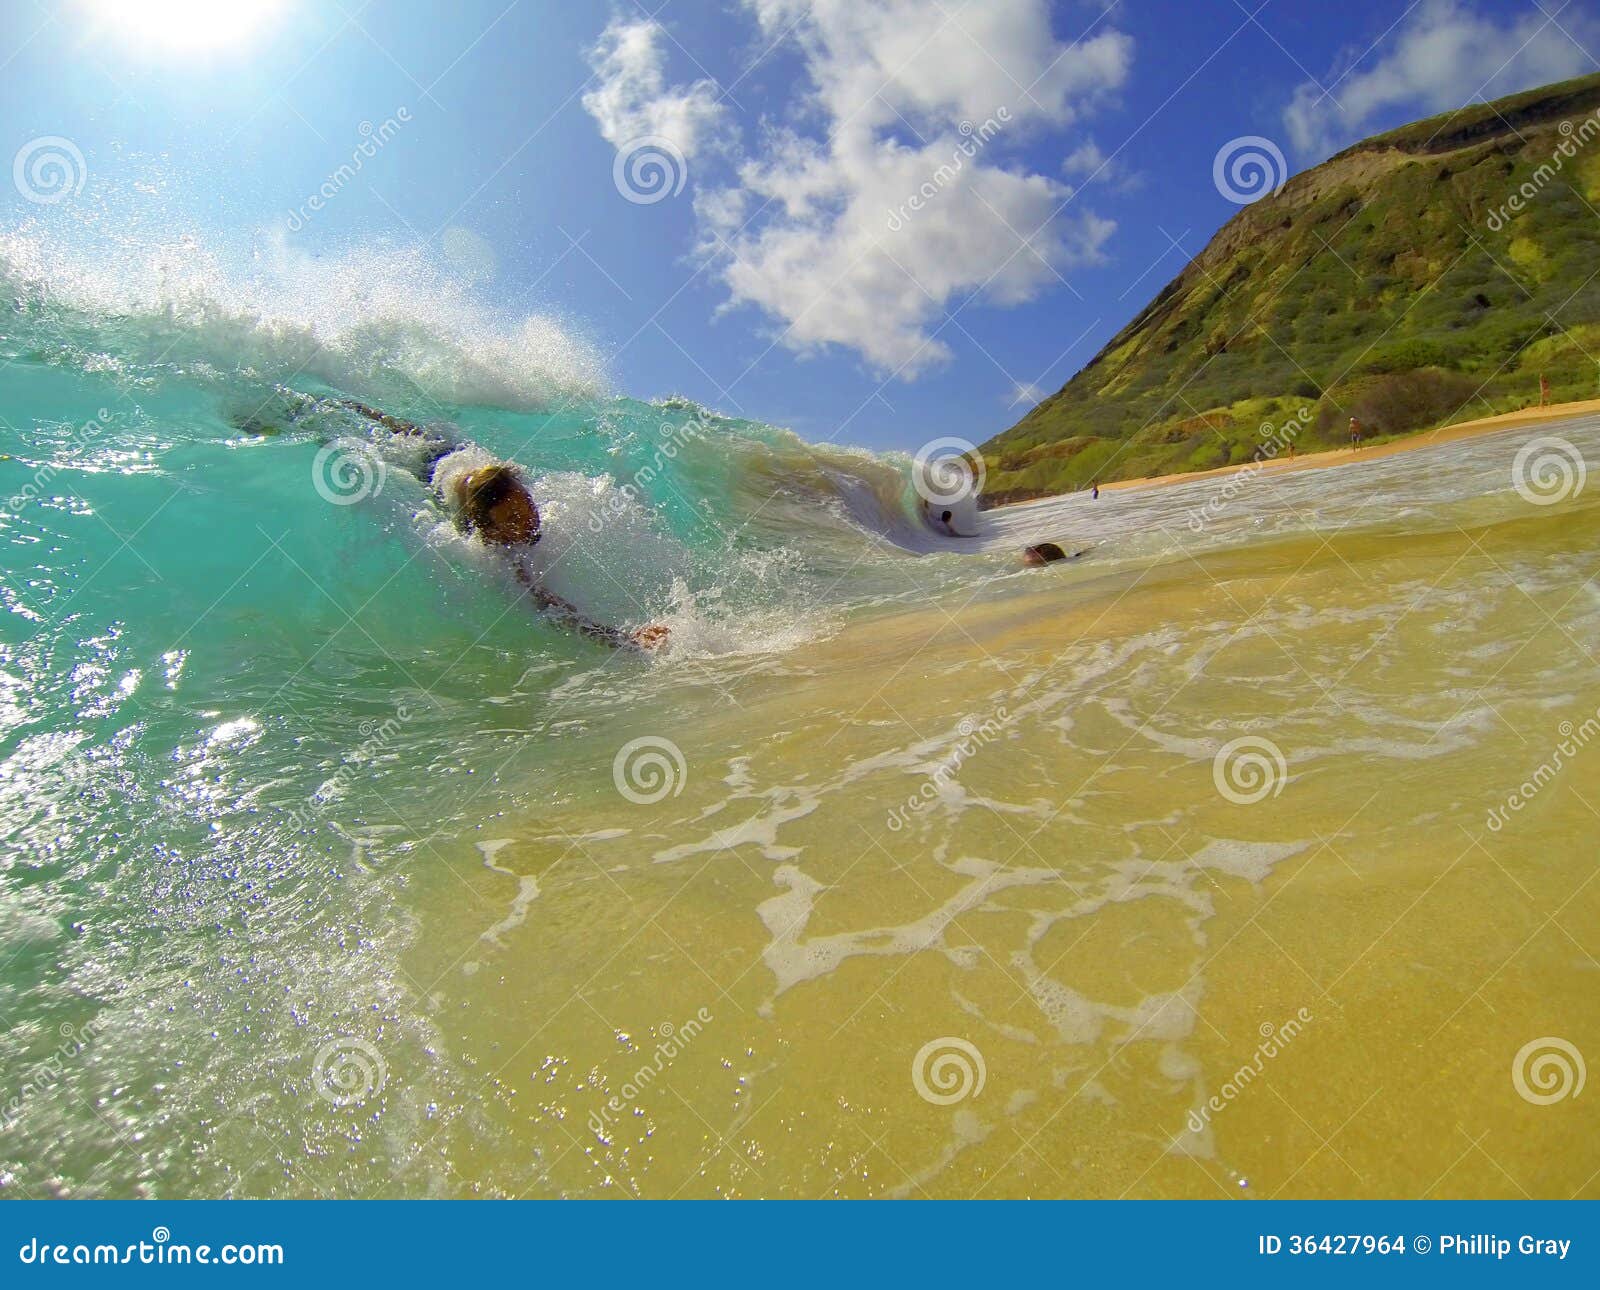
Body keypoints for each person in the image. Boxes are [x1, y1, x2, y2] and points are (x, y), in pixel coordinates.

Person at [316, 395, 669, 651]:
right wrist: (621, 640)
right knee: (406, 439)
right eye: (513, 519)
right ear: (492, 531)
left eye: (527, 506)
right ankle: (348, 410)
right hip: (435, 468)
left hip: (465, 461)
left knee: (435, 441)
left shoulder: (514, 498)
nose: (529, 521)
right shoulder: (494, 548)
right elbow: (548, 605)